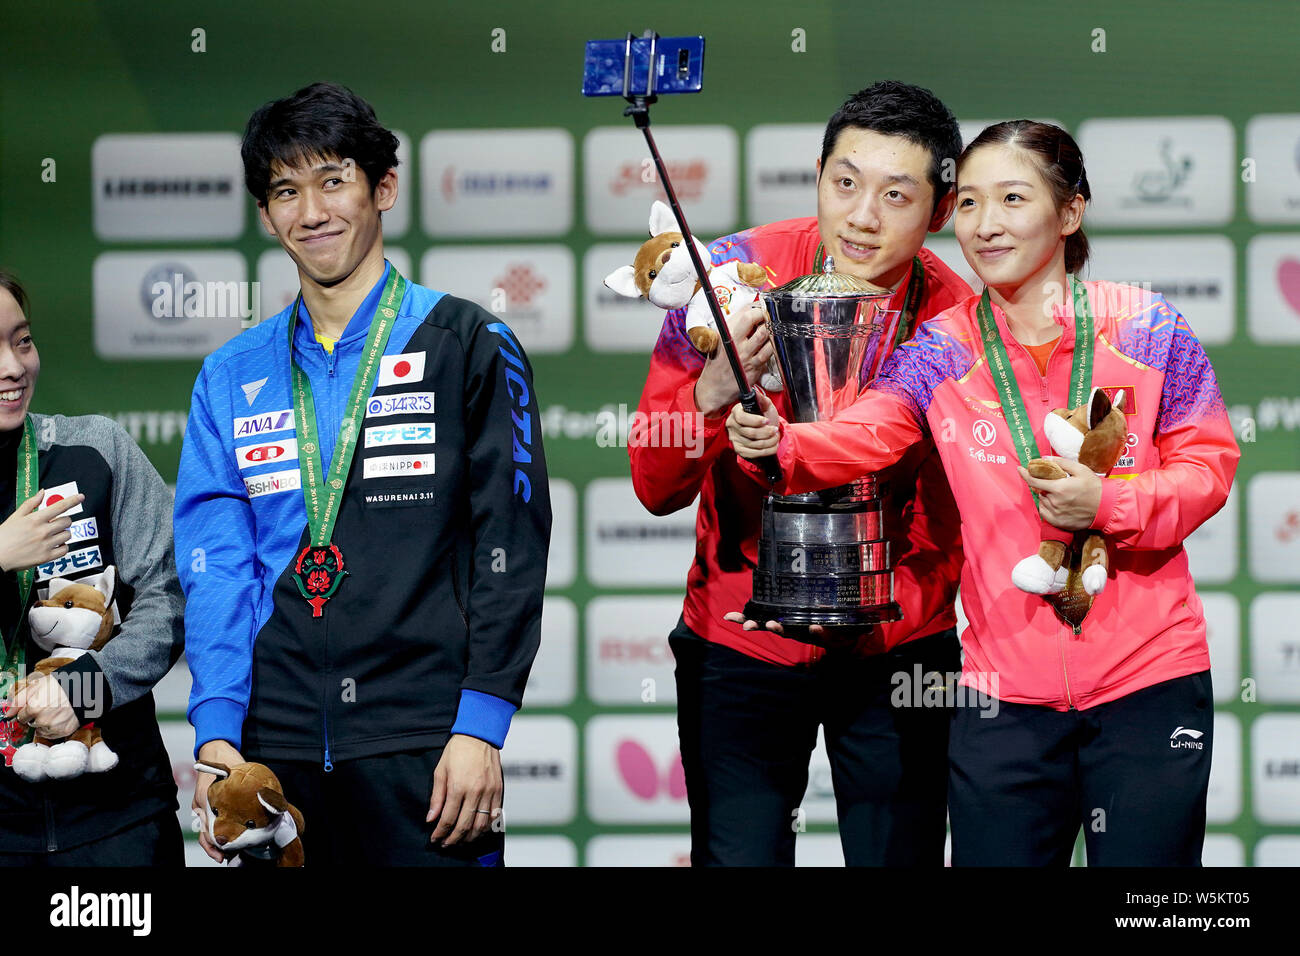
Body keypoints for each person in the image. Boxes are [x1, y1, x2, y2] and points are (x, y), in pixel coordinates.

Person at [728, 121, 1238, 866]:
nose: (985, 224)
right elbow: (873, 428)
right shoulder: (941, 347)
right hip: (1001, 699)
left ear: (1070, 213)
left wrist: (1106, 505)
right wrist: (785, 445)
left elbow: (1208, 470)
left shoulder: (1150, 328)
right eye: (967, 203)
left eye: (1011, 198)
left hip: (1148, 682)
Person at [174, 82, 550, 867]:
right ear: (265, 215)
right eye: (285, 190)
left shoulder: (470, 343)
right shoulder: (229, 373)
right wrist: (216, 734)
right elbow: (217, 570)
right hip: (271, 758)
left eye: (333, 179)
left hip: (426, 744)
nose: (311, 211)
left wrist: (480, 727)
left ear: (384, 188)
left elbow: (508, 549)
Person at [630, 81, 971, 866]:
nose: (861, 216)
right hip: (741, 646)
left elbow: (954, 523)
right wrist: (709, 398)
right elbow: (654, 482)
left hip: (896, 653)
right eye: (844, 183)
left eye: (896, 194)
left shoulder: (958, 321)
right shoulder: (729, 281)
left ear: (941, 210)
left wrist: (879, 611)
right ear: (817, 173)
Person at [0, 270, 185, 866]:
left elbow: (168, 594)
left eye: (22, 341)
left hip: (117, 813)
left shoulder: (93, 450)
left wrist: (84, 689)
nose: (12, 367)